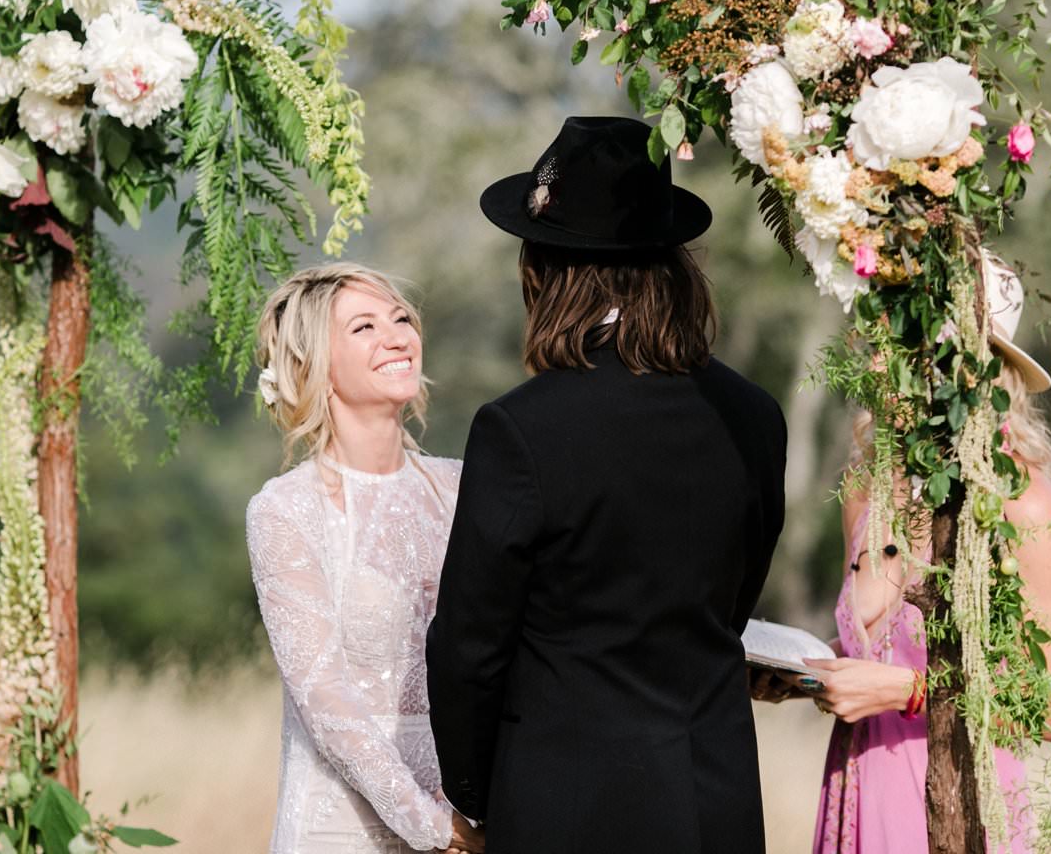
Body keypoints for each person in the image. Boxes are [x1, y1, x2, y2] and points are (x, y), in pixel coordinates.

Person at [426, 116, 788, 853]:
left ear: (546, 272)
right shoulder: (756, 415)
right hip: (714, 794)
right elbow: (732, 601)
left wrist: (473, 791)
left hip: (566, 802)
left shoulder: (521, 429)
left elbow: (471, 644)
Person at [754, 251, 1051, 854]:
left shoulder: (1022, 505)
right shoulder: (864, 486)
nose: (879, 358)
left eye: (908, 342)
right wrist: (803, 673)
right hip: (855, 795)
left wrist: (906, 691)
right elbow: (879, 645)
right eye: (884, 338)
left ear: (970, 367)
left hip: (958, 803)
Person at [245, 263, 484, 854]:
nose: (397, 336)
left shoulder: (463, 489)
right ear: (315, 364)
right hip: (343, 828)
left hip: (471, 820)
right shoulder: (286, 510)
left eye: (402, 319)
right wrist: (429, 825)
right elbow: (325, 699)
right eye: (365, 327)